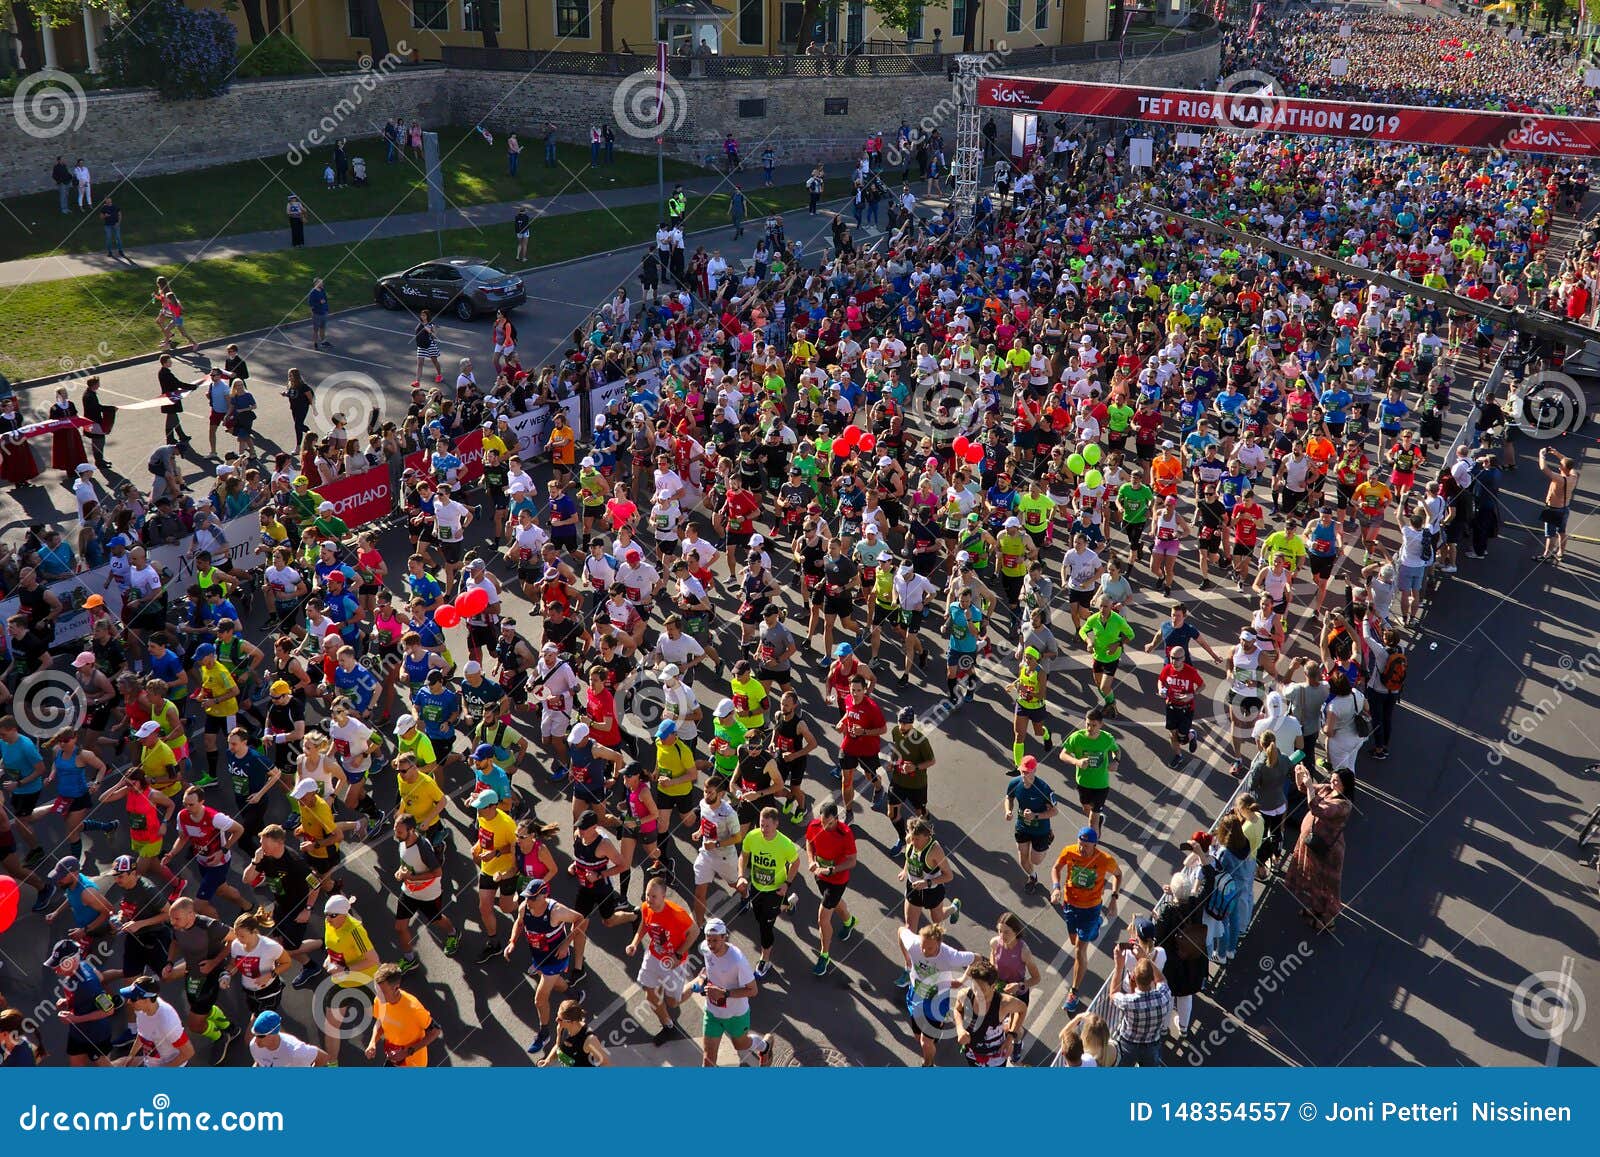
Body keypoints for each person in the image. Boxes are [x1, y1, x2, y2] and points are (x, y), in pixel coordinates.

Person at [1048, 826, 1121, 1014]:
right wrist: (1056, 887)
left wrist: (1114, 898)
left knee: (1080, 949)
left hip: (1090, 909)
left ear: (1095, 845)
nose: (1082, 849)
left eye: (1086, 846)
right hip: (1070, 906)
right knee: (1074, 942)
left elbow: (1118, 875)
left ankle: (1073, 993)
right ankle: (1094, 927)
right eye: (1080, 845)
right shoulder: (1069, 851)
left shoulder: (1105, 860)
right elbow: (1056, 867)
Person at [1283, 764, 1354, 934]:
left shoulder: (1343, 805)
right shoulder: (1328, 789)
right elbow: (1303, 788)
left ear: (1345, 785)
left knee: (1325, 884)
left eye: (1336, 780)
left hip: (1326, 851)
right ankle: (1316, 910)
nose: (1331, 781)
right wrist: (1301, 774)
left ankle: (1328, 920)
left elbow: (1316, 808)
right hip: (1312, 844)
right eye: (1332, 778)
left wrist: (1308, 786)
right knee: (1314, 880)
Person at [693, 916, 773, 1066]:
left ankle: (765, 1046)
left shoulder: (737, 960)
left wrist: (724, 993)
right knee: (708, 1059)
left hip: (736, 1014)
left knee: (740, 1045)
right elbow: (707, 969)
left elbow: (753, 990)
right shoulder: (705, 948)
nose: (711, 945)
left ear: (725, 937)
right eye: (708, 940)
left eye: (715, 940)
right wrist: (701, 980)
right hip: (712, 1012)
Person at [628, 876, 697, 1046]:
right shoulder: (645, 907)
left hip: (674, 963)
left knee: (673, 1002)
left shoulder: (677, 914)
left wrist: (678, 954)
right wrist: (635, 943)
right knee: (649, 992)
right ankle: (668, 1025)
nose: (649, 900)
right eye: (647, 895)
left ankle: (698, 983)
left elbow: (694, 932)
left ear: (663, 896)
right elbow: (644, 924)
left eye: (654, 896)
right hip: (653, 956)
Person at [896, 922, 975, 1066]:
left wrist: (962, 979)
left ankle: (928, 1064)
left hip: (937, 1002)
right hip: (917, 996)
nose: (924, 951)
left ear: (939, 943)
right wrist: (907, 958)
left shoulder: (950, 955)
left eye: (930, 947)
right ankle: (932, 1039)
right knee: (917, 1036)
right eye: (923, 946)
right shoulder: (914, 944)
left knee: (925, 1043)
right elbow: (901, 930)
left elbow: (977, 958)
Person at [737, 805, 800, 977]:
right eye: (761, 825)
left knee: (766, 925)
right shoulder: (752, 836)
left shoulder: (785, 844)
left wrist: (787, 883)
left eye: (767, 826)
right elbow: (744, 855)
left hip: (775, 890)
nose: (763, 829)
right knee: (759, 917)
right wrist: (741, 875)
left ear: (776, 824)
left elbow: (796, 863)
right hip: (757, 887)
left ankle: (765, 959)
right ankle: (789, 903)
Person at [803, 801, 858, 975]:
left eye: (830, 824)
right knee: (833, 904)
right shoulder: (814, 825)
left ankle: (824, 956)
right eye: (823, 822)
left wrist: (832, 870)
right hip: (820, 875)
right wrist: (811, 860)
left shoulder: (846, 833)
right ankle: (849, 922)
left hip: (837, 880)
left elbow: (852, 861)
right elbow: (809, 842)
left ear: (836, 818)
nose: (825, 827)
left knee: (822, 918)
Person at [366, 963, 441, 1067]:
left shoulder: (414, 1009)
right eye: (376, 990)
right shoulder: (379, 1000)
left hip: (413, 1063)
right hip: (393, 1056)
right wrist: (373, 1042)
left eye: (382, 992)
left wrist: (407, 1052)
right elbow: (380, 1021)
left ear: (396, 988)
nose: (378, 995)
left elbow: (436, 1030)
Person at [1003, 756, 1057, 893]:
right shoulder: (1014, 783)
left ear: (1034, 770)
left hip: (1041, 830)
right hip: (1022, 826)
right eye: (1022, 771)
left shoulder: (1044, 788)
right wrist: (1008, 810)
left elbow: (1054, 811)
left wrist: (1035, 816)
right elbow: (1008, 798)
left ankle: (1049, 837)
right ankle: (1032, 877)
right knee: (1023, 860)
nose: (1024, 774)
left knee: (1036, 860)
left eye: (1027, 772)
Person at [1109, 952, 1173, 1066]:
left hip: (1128, 1045)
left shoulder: (1128, 1002)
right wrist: (1146, 959)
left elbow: (1113, 993)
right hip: (1152, 1045)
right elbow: (1162, 980)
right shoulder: (1163, 997)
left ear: (1133, 977)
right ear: (1152, 978)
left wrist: (1118, 966)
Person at [116, 976, 196, 1067]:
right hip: (150, 1062)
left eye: (133, 999)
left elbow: (188, 1052)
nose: (129, 1002)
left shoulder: (167, 1023)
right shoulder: (141, 1009)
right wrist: (131, 1055)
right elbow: (142, 1032)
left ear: (147, 1000)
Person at [248, 1010, 328, 1067]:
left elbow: (323, 1058)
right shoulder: (254, 1046)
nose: (255, 1040)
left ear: (273, 1033)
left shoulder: (296, 1050)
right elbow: (260, 1062)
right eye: (254, 1034)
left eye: (261, 1036)